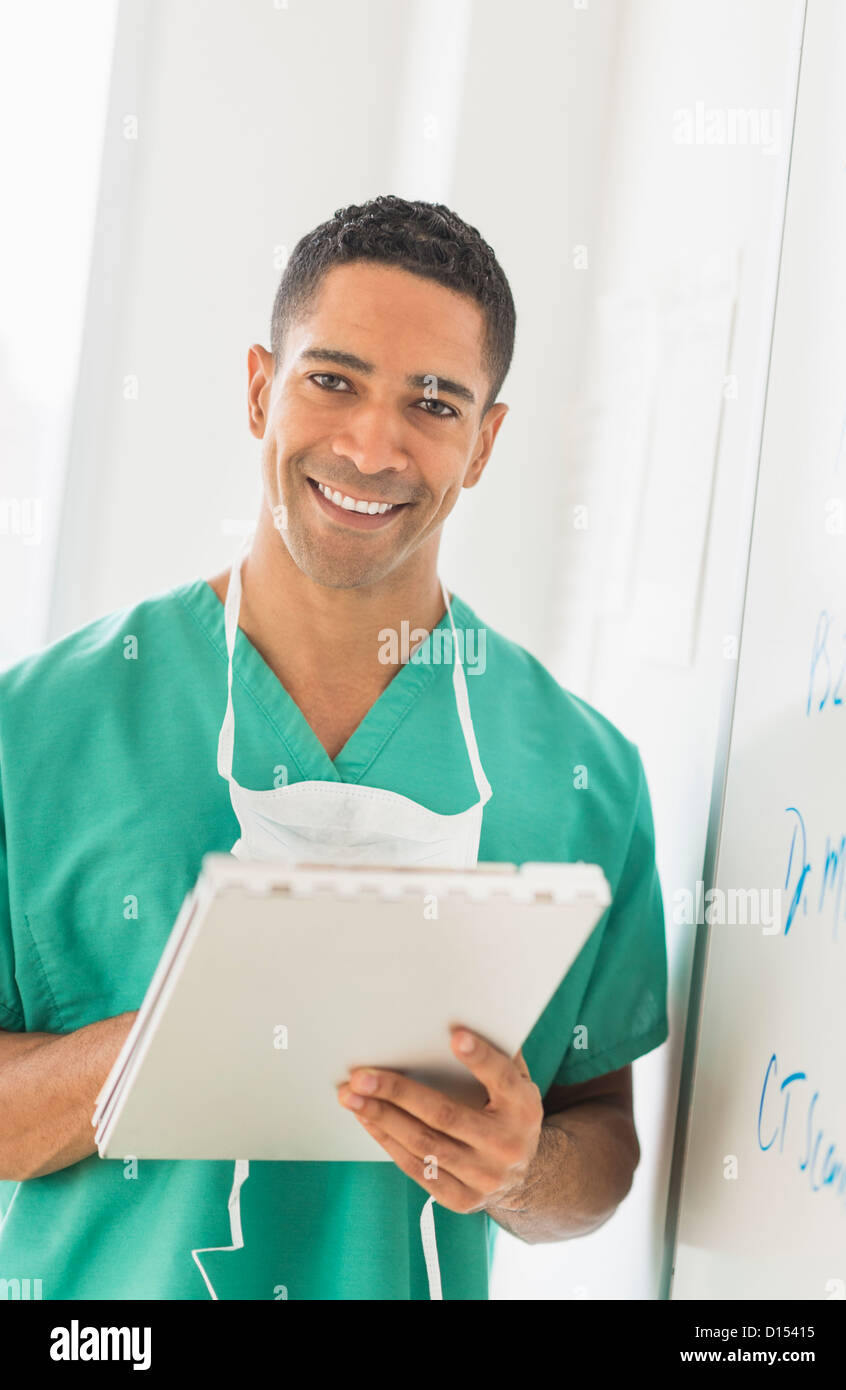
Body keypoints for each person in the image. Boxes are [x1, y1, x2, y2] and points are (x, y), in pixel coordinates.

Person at [0, 195, 668, 1300]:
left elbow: (599, 1151)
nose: (372, 444)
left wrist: (517, 1168)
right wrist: (180, 1038)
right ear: (260, 387)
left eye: (434, 401)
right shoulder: (39, 731)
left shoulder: (582, 774)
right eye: (333, 379)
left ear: (485, 441)